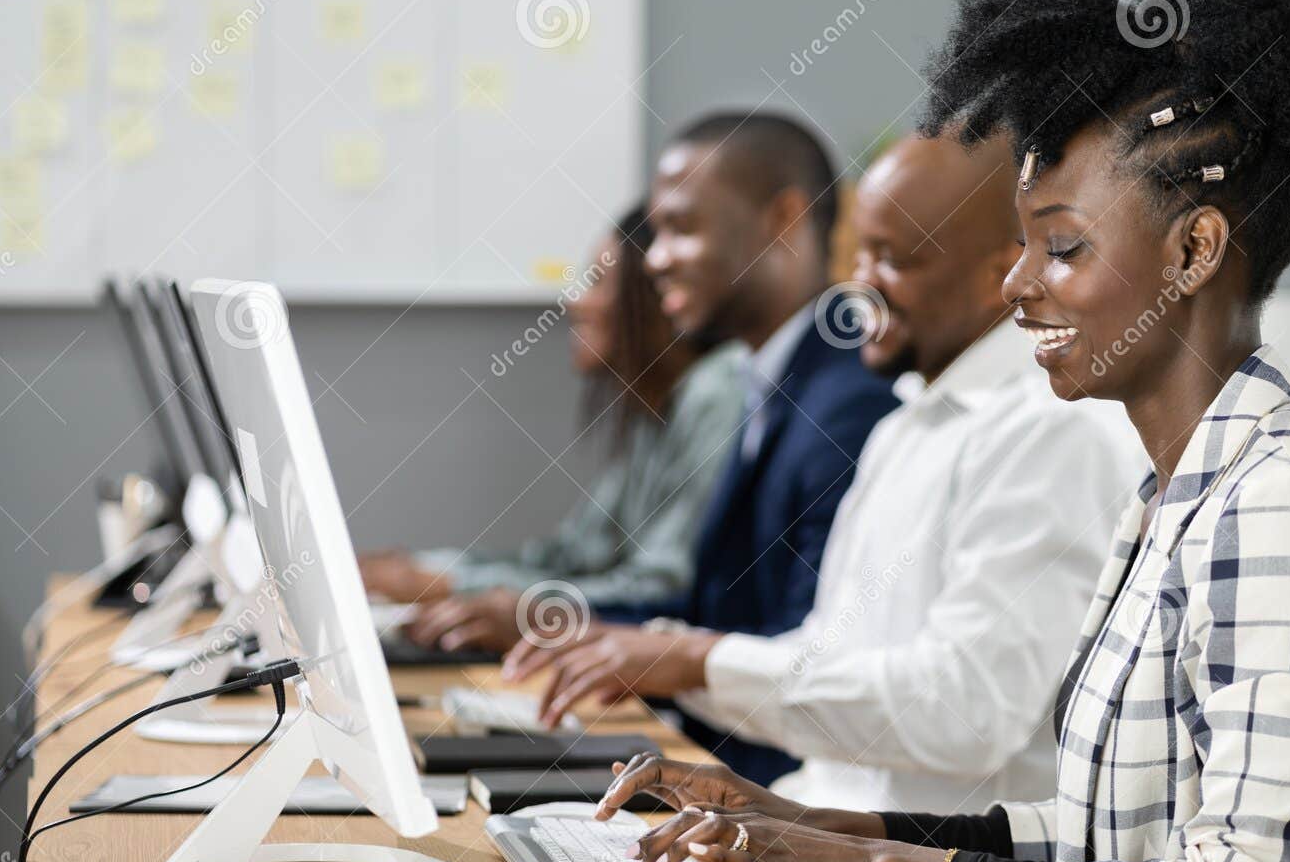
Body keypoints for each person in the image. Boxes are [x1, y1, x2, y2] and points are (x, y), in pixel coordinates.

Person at [596, 0, 1290, 862]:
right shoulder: (1172, 496)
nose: (1016, 284)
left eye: (1060, 246)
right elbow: (1115, 838)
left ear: (1194, 250)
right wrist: (815, 824)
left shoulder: (1289, 506)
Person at [505, 133, 1141, 815]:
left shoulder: (1053, 432)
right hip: (829, 828)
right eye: (859, 254)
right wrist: (685, 678)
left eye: (895, 259)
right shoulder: (906, 422)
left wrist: (697, 661)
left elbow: (967, 713)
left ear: (1003, 274)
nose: (859, 286)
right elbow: (828, 659)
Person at [591, 113, 901, 783]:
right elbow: (718, 613)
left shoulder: (850, 404)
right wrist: (570, 631)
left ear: (783, 220)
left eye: (682, 227)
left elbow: (809, 654)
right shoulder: (770, 378)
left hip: (782, 791)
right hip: (719, 766)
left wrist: (663, 659)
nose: (655, 258)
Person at [359, 203, 742, 651]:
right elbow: (573, 555)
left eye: (597, 281)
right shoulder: (655, 409)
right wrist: (432, 573)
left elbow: (660, 590)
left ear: (657, 295)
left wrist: (482, 595)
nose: (574, 300)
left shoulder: (715, 392)